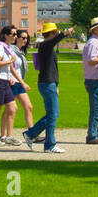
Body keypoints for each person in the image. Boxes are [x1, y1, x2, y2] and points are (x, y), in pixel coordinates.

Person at [24, 22, 68, 153]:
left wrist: (56, 85)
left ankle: (31, 134)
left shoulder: (47, 47)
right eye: (55, 33)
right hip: (47, 83)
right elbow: (55, 40)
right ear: (53, 33)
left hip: (49, 83)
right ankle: (49, 145)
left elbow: (52, 69)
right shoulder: (45, 45)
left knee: (52, 114)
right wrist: (65, 33)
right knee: (53, 114)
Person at [0, 25, 21, 146]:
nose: (15, 36)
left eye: (16, 34)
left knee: (13, 108)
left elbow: (5, 66)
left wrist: (10, 76)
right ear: (6, 35)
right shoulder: (0, 47)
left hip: (5, 81)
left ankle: (9, 136)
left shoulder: (7, 48)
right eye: (13, 34)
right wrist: (11, 61)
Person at [8, 29, 38, 142]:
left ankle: (31, 134)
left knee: (28, 107)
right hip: (12, 82)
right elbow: (10, 67)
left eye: (27, 38)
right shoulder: (11, 49)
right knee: (9, 111)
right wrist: (13, 78)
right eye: (23, 38)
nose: (25, 40)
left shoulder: (21, 51)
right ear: (17, 38)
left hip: (19, 82)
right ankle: (6, 135)